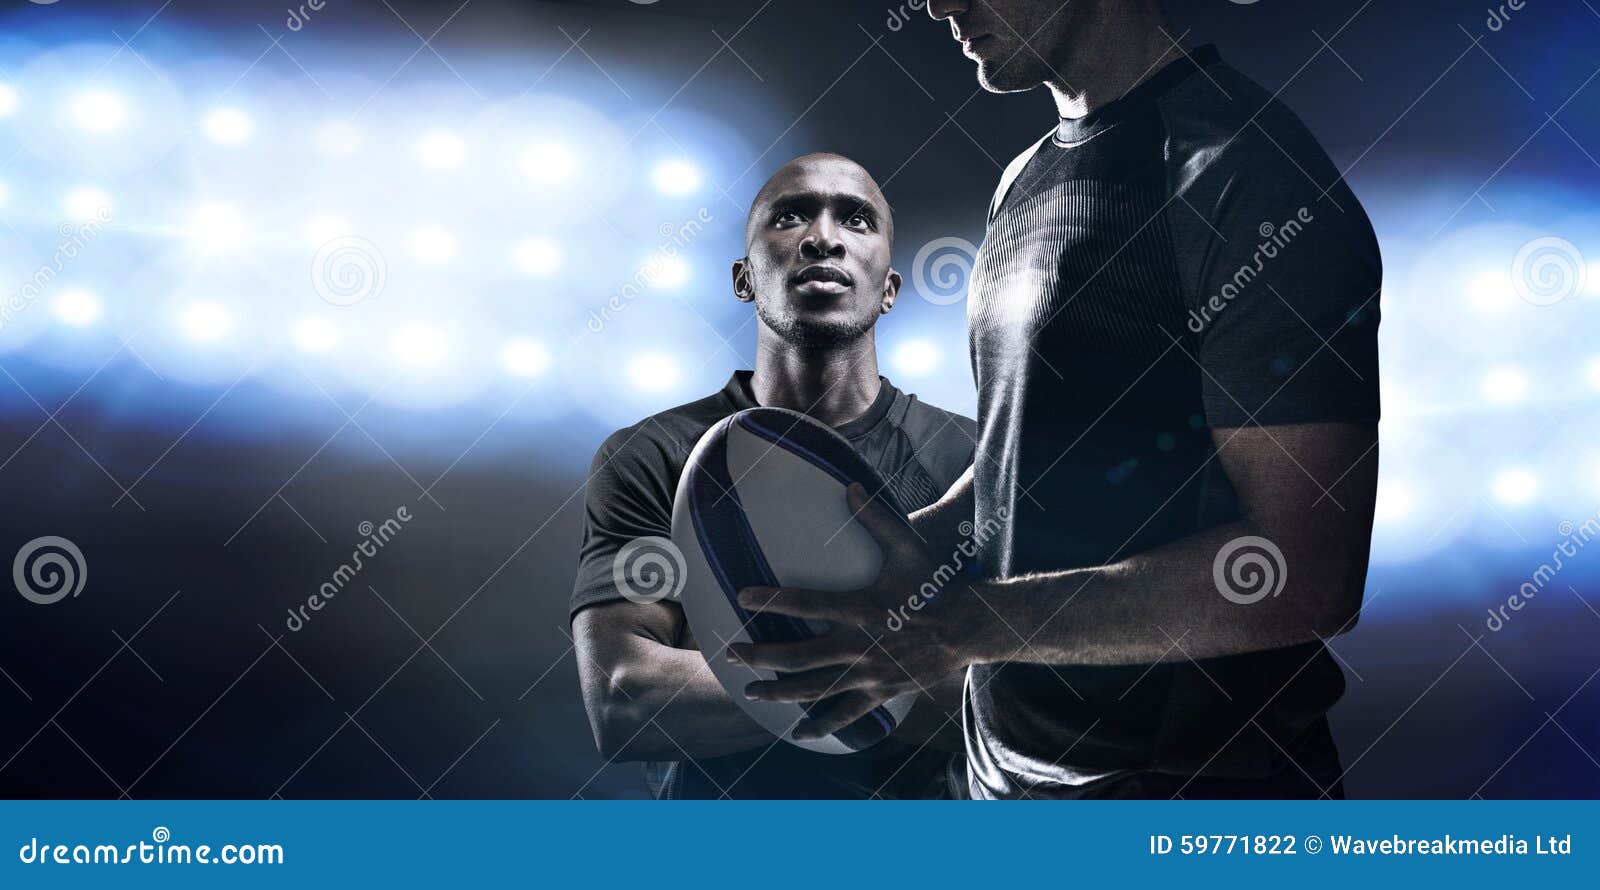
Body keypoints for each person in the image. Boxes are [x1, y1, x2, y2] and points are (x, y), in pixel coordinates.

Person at [729, 1, 1382, 799]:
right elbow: (1026, 457)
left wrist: (964, 627)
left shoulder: (1250, 173)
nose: (938, 4)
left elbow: (1310, 573)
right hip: (1003, 784)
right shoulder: (1026, 176)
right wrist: (891, 554)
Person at [571, 153, 977, 799]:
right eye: (790, 216)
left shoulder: (975, 459)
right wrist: (903, 674)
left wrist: (773, 674)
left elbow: (1043, 701)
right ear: (744, 278)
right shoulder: (652, 455)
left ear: (890, 288)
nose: (823, 237)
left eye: (856, 220)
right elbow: (626, 699)